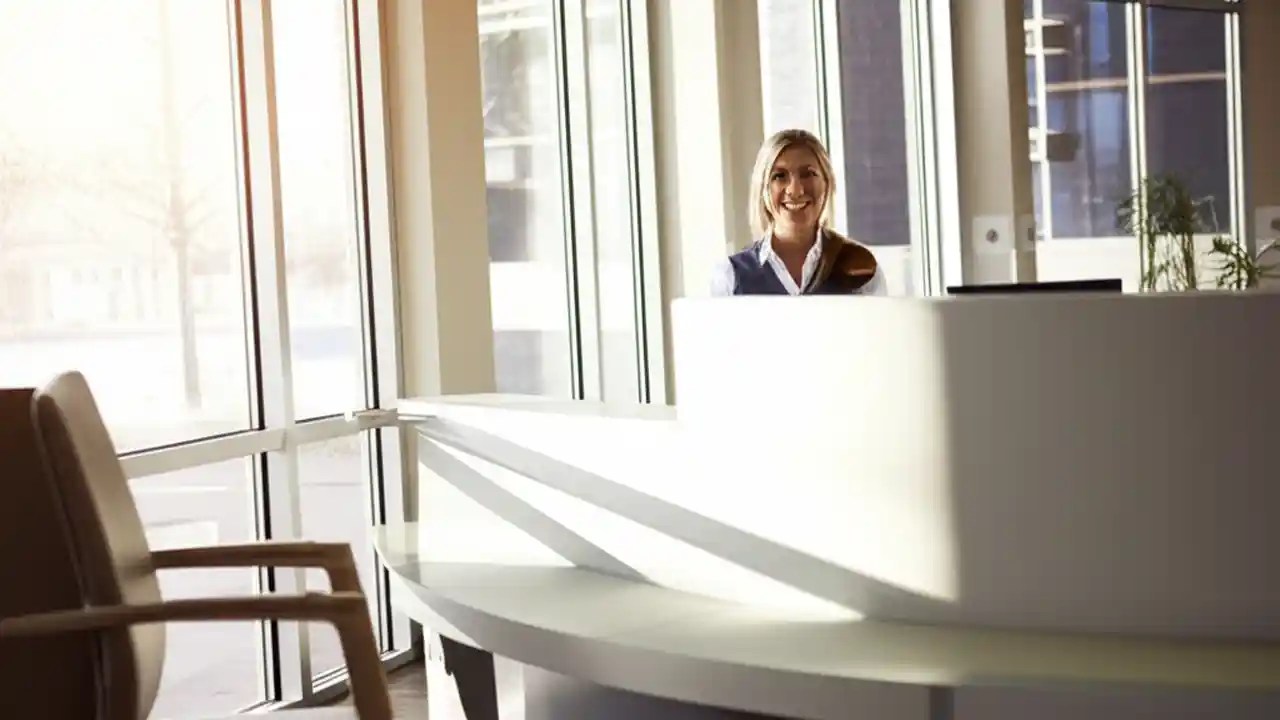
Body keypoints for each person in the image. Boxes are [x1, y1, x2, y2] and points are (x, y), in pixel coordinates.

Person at [710, 128, 887, 297]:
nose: (795, 190)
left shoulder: (862, 268)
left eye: (808, 174)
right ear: (763, 188)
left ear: (827, 183)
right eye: (779, 176)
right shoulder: (730, 276)